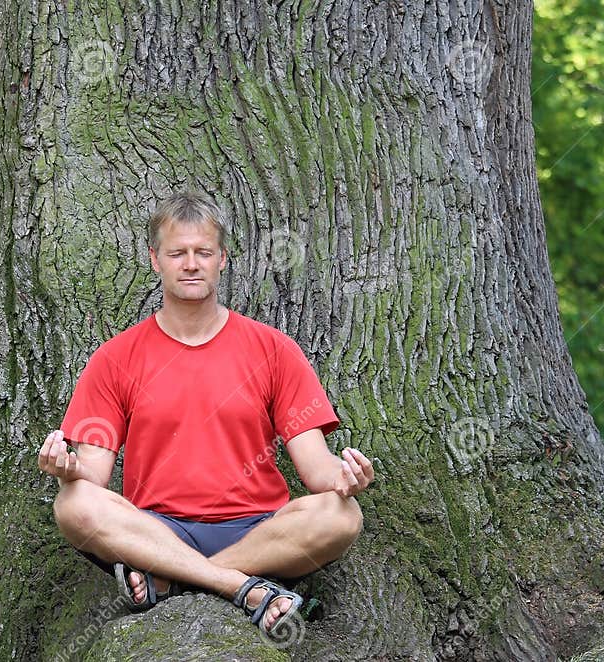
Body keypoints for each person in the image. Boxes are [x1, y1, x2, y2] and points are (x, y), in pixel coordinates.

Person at [37, 191, 375, 641]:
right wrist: (66, 468)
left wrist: (347, 476)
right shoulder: (115, 358)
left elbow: (318, 470)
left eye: (203, 253)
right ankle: (240, 587)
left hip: (259, 531)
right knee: (72, 503)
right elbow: (92, 478)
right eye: (178, 253)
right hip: (156, 529)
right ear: (156, 260)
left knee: (343, 516)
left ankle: (174, 580)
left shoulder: (274, 350)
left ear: (223, 259)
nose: (191, 264)